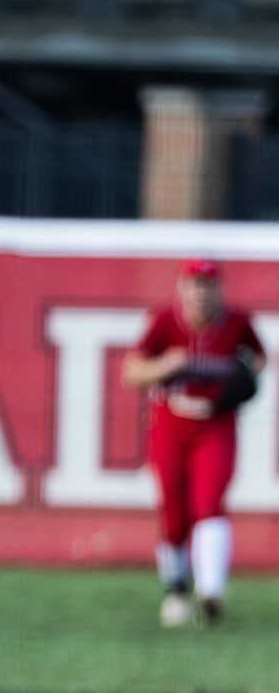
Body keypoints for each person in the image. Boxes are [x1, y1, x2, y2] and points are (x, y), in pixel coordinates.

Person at [122, 257, 264, 627]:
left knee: (210, 501)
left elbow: (258, 361)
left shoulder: (237, 324)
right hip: (171, 425)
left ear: (219, 290)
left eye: (208, 286)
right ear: (181, 289)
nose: (201, 294)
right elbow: (131, 372)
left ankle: (211, 590)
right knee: (174, 511)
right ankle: (175, 589)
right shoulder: (165, 323)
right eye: (194, 285)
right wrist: (165, 366)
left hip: (216, 424)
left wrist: (242, 382)